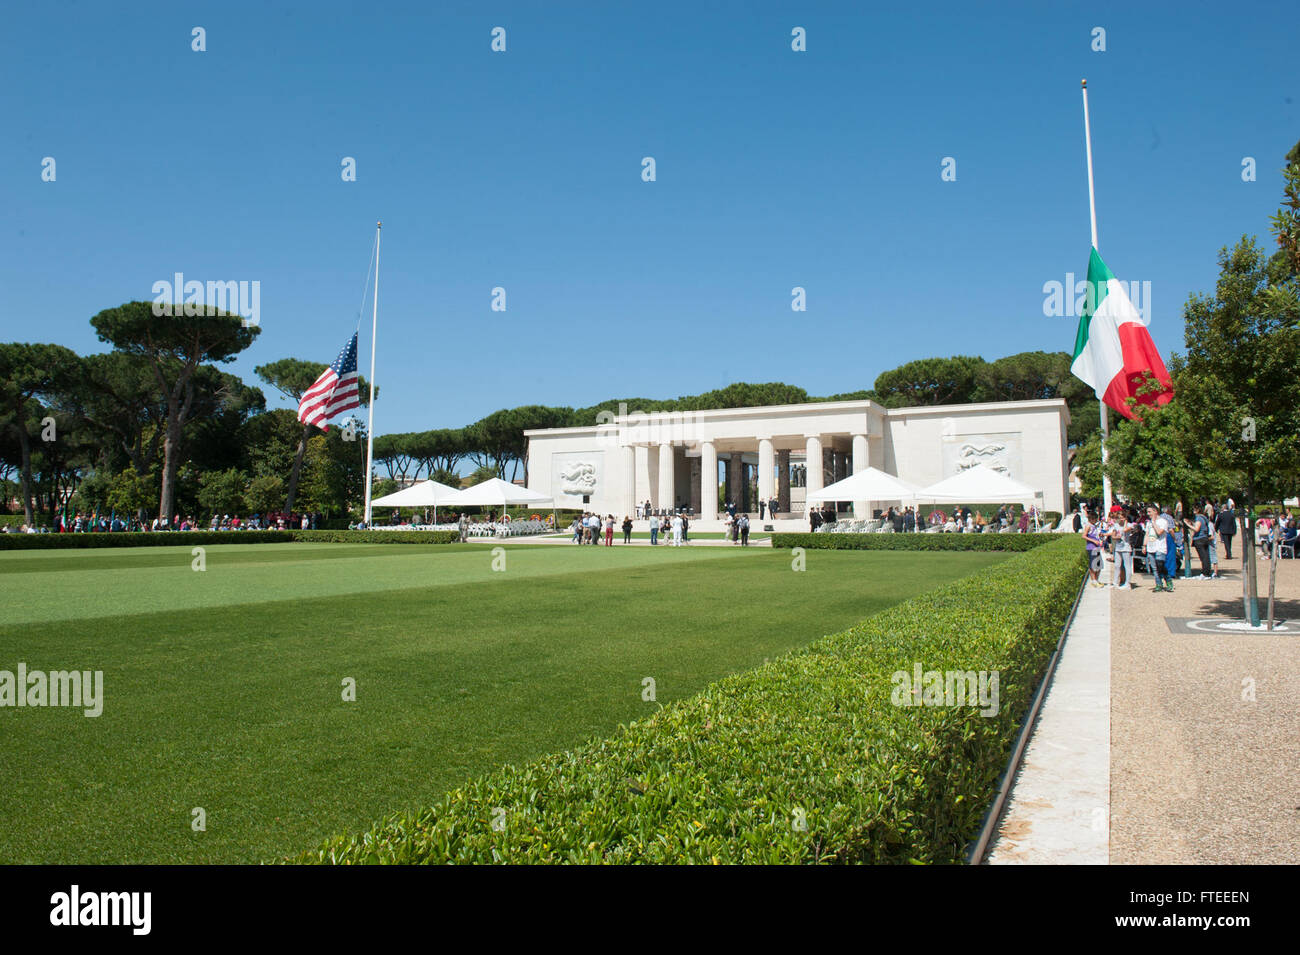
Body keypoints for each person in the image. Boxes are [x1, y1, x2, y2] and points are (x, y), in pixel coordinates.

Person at [1110, 513, 1133, 589]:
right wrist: (1116, 537)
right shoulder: (1116, 525)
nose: (1121, 519)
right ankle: (1115, 582)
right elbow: (1113, 535)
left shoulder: (1129, 525)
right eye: (1120, 518)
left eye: (1123, 518)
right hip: (1118, 547)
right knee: (1117, 565)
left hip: (1126, 547)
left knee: (1127, 565)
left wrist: (1125, 522)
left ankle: (1127, 583)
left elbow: (1125, 530)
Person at [1084, 518, 1105, 587]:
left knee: (1099, 565)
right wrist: (1093, 541)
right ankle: (1093, 580)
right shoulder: (1088, 526)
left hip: (1097, 547)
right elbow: (1084, 536)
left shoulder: (1094, 526)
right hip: (1091, 547)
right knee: (1093, 565)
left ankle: (1096, 579)